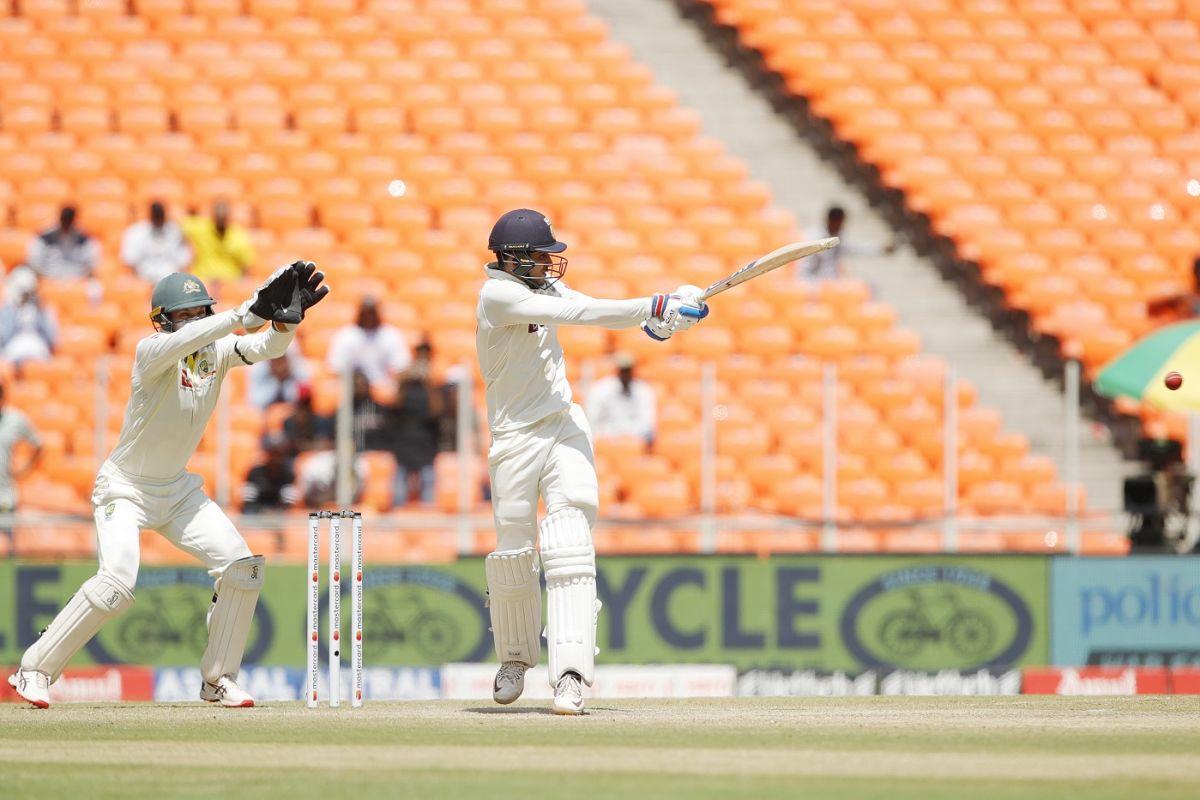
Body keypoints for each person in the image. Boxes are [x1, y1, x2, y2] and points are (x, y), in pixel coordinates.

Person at [6, 261, 329, 709]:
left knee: (243, 568)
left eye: (201, 312)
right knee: (115, 584)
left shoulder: (215, 352)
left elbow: (264, 349)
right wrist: (240, 315)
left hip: (177, 492)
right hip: (125, 488)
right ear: (164, 320)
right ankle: (34, 670)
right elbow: (197, 338)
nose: (195, 321)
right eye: (186, 314)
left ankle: (217, 680)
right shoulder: (151, 351)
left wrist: (285, 324)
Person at [476, 208, 708, 714]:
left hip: (563, 425)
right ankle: (515, 657)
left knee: (570, 541)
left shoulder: (542, 290)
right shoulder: (499, 296)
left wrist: (660, 316)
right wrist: (656, 304)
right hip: (514, 441)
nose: (549, 263)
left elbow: (597, 308)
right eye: (541, 255)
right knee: (515, 552)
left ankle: (571, 676)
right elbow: (581, 316)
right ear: (514, 258)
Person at [389, 340, 442, 505]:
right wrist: (404, 380)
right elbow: (395, 405)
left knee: (427, 489)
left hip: (426, 441)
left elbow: (436, 410)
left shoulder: (436, 378)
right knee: (399, 491)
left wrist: (428, 383)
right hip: (404, 439)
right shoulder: (406, 380)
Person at [325, 295, 412, 389]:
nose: (369, 317)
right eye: (366, 313)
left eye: (371, 313)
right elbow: (336, 366)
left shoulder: (391, 334)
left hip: (383, 386)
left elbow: (401, 366)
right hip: (354, 387)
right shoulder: (346, 335)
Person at [796, 205, 897, 283]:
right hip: (816, 285)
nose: (841, 225)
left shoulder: (839, 236)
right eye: (839, 222)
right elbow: (804, 270)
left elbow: (856, 248)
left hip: (835, 284)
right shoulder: (813, 238)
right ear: (831, 220)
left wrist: (880, 249)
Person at [586, 352, 657, 449]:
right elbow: (592, 421)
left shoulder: (643, 390)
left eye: (628, 370)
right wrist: (614, 435)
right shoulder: (600, 390)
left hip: (634, 441)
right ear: (616, 370)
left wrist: (626, 435)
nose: (625, 374)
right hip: (606, 441)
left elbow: (647, 423)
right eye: (623, 370)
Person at [181, 201, 256, 284]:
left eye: (223, 217)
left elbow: (246, 265)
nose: (221, 219)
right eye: (218, 216)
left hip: (229, 282)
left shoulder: (239, 236)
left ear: (228, 217)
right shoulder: (201, 229)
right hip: (204, 280)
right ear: (213, 216)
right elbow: (180, 224)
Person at [120, 200, 192, 284]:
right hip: (144, 277)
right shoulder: (136, 232)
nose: (158, 221)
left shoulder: (175, 231)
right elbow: (130, 259)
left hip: (171, 277)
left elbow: (184, 257)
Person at [0, 380, 44, 516]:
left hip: (5, 496)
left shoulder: (15, 419)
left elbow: (38, 445)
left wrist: (23, 470)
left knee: (6, 536)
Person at [0, 266, 58, 367]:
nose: (26, 295)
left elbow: (52, 339)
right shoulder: (6, 310)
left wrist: (40, 311)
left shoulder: (43, 309)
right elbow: (4, 337)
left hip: (38, 349)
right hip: (13, 351)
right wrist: (13, 309)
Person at [26, 205, 100, 280]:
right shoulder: (45, 236)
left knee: (95, 283)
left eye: (69, 219)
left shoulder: (84, 238)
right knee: (23, 276)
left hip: (77, 276)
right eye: (64, 219)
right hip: (48, 274)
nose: (66, 222)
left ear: (74, 220)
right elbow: (34, 259)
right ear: (60, 217)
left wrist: (84, 275)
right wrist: (41, 275)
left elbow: (91, 262)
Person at [240, 432, 298, 513]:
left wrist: (274, 512)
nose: (275, 457)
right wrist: (262, 512)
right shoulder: (255, 472)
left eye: (278, 453)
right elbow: (248, 503)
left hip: (279, 516)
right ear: (267, 453)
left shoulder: (288, 474)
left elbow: (287, 505)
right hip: (256, 515)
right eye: (272, 453)